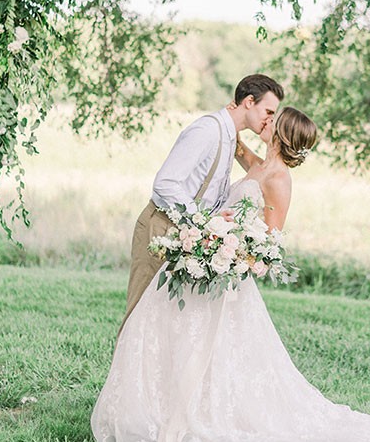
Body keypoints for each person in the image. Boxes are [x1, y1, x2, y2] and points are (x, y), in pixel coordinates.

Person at [91, 106, 370, 442]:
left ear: (279, 133)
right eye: (267, 112)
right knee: (190, 342)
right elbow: (232, 142)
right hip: (211, 264)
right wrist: (232, 119)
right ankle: (169, 408)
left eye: (272, 118)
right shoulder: (259, 166)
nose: (267, 120)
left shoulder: (279, 179)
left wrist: (231, 248)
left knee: (216, 352)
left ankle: (201, 416)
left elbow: (269, 242)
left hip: (229, 276)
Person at [120, 73, 284, 330]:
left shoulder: (231, 136)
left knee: (169, 324)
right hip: (160, 227)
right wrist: (204, 219)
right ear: (249, 102)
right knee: (141, 318)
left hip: (188, 236)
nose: (270, 120)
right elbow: (165, 183)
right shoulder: (207, 131)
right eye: (268, 111)